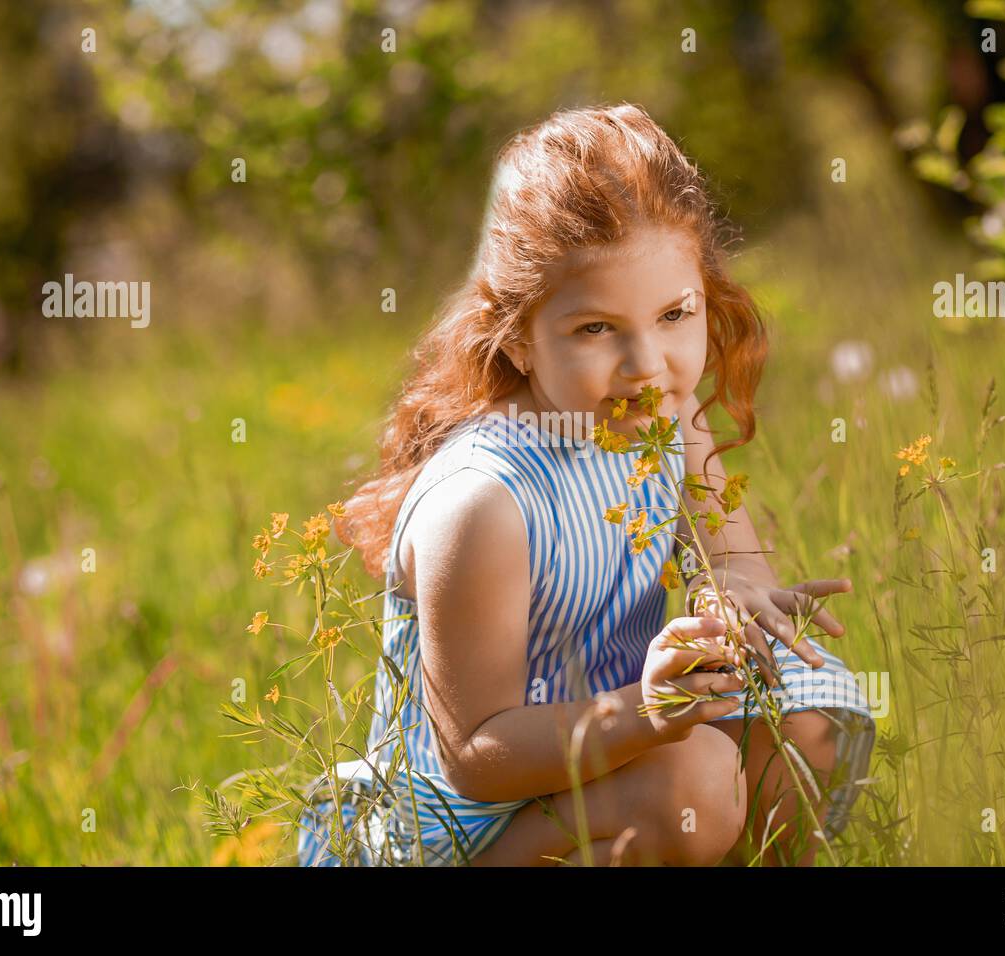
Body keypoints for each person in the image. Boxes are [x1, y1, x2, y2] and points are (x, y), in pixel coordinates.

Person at [299, 103, 875, 867]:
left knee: (805, 715)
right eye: (596, 329)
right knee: (697, 779)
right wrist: (651, 710)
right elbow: (475, 753)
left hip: (605, 762)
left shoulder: (670, 421)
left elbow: (731, 564)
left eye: (675, 314)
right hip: (463, 828)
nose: (647, 364)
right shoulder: (485, 501)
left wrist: (735, 606)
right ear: (520, 340)